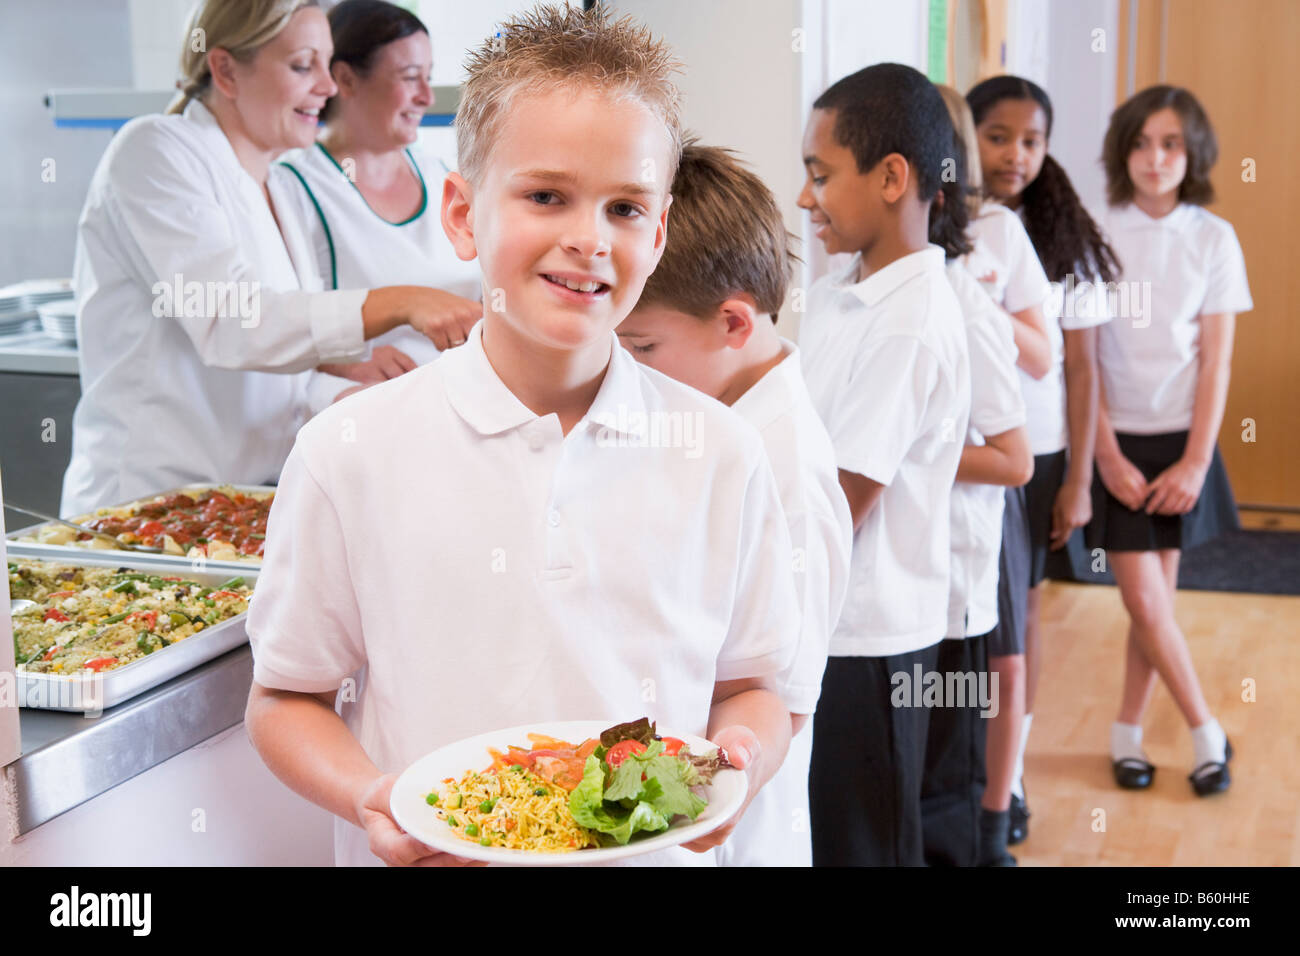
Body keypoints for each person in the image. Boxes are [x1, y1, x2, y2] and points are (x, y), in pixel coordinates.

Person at [243, 3, 802, 867]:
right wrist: (370, 794)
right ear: (464, 214)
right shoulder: (348, 453)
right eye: (547, 196)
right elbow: (285, 698)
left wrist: (743, 760)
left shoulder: (724, 453)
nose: (588, 239)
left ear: (657, 236)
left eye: (625, 208)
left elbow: (755, 685)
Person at [61, 0, 481, 517]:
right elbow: (232, 321)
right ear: (226, 70)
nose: (327, 87)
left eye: (328, 66)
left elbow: (280, 381)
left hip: (239, 503)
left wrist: (379, 399)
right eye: (303, 65)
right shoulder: (154, 150)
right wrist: (401, 302)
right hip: (145, 503)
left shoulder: (276, 186)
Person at [616, 141, 852, 866]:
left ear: (734, 324)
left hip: (737, 831)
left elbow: (781, 701)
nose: (625, 368)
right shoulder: (712, 420)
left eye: (645, 346)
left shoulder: (789, 476)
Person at [797, 63, 971, 866]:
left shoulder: (908, 323)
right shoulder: (845, 289)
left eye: (820, 174)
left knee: (864, 847)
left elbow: (839, 503)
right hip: (830, 628)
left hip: (870, 643)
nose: (806, 198)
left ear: (893, 176)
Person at [966, 75, 1119, 843]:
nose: (1015, 154)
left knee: (1020, 622)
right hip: (968, 451)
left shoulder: (1065, 239)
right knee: (975, 622)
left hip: (1044, 452)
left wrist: (1082, 480)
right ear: (966, 135)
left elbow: (1083, 371)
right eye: (997, 136)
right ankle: (973, 773)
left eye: (1031, 140)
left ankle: (1010, 773)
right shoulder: (950, 223)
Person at [1093, 85, 1249, 796]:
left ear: (1193, 153)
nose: (1156, 158)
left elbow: (1216, 359)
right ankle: (1205, 731)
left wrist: (1195, 459)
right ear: (1124, 151)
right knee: (1149, 606)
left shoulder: (1213, 238)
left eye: (1172, 144)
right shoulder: (1095, 229)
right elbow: (1081, 358)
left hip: (1182, 446)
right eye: (1142, 143)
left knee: (1152, 608)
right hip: (1114, 441)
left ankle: (1126, 734)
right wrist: (1104, 455)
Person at [920, 86, 1033, 867]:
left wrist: (904, 452)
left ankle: (991, 821)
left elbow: (1014, 449)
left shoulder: (973, 278)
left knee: (990, 673)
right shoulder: (855, 290)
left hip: (968, 535)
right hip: (912, 559)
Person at [274, 0, 482, 370]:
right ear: (346, 79)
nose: (427, 97)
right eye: (409, 76)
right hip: (366, 404)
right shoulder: (292, 188)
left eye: (428, 78)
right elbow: (273, 327)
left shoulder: (439, 177)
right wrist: (344, 363)